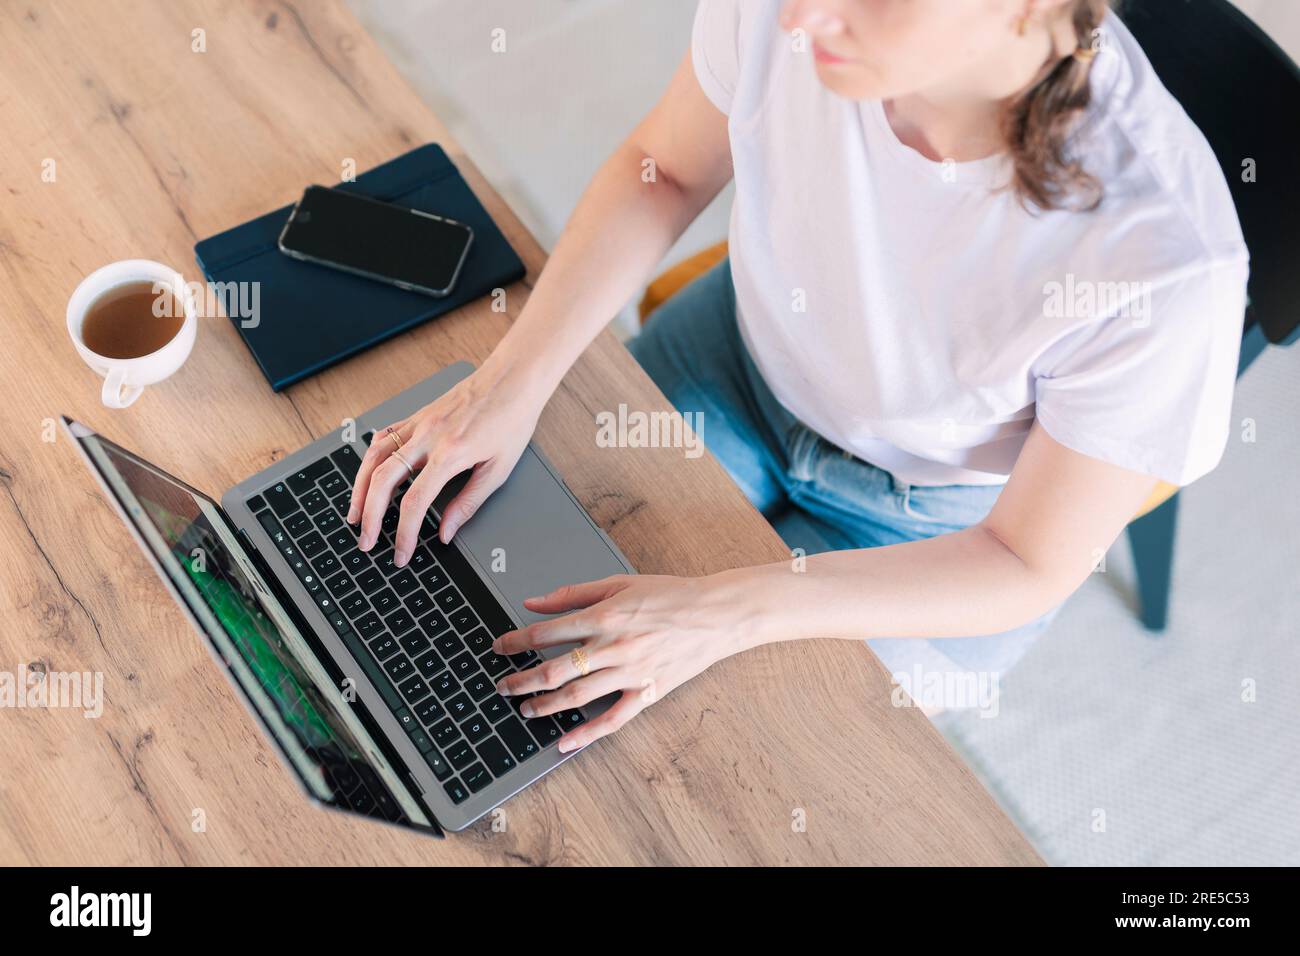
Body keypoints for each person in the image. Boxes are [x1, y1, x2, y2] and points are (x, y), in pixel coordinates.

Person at [347, 0, 1248, 747]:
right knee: (473, 599)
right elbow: (661, 173)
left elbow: (1026, 561)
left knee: (704, 754)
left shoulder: (1167, 261)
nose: (806, 14)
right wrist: (506, 385)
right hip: (736, 361)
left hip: (945, 525)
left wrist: (726, 612)